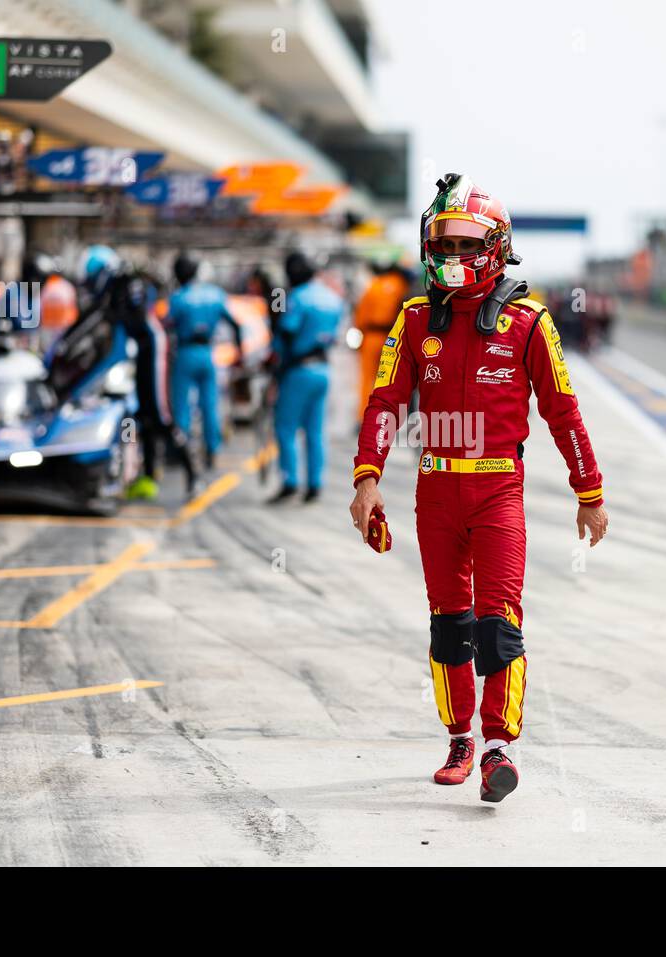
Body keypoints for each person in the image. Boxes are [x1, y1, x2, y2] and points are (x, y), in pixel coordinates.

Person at [348, 174, 610, 803]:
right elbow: (384, 402)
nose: (453, 257)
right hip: (434, 493)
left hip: (499, 494)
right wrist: (366, 479)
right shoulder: (412, 320)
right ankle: (458, 737)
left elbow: (563, 411)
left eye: (467, 246)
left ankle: (499, 745)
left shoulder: (529, 321)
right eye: (444, 244)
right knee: (449, 627)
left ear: (496, 248)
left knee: (499, 625)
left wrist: (590, 490)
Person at [77, 244, 195, 500]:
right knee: (142, 417)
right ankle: (147, 478)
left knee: (161, 415)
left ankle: (193, 475)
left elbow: (134, 317)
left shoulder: (129, 283)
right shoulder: (113, 290)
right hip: (137, 353)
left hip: (154, 349)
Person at [269, 250, 343, 504]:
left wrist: (277, 368)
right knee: (315, 429)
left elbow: (287, 333)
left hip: (298, 370)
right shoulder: (332, 297)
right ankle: (315, 484)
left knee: (286, 427)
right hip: (323, 369)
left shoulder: (297, 298)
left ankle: (290, 481)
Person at [167, 250, 241, 471]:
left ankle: (183, 452)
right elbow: (235, 324)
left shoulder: (178, 297)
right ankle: (212, 450)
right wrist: (240, 351)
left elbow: (167, 325)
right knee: (209, 405)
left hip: (185, 354)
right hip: (208, 355)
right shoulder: (215, 294)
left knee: (181, 406)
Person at [351, 261, 410, 425]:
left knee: (366, 379)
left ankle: (363, 418)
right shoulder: (401, 285)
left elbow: (360, 314)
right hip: (393, 338)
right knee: (390, 380)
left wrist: (361, 331)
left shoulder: (374, 286)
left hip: (371, 337)